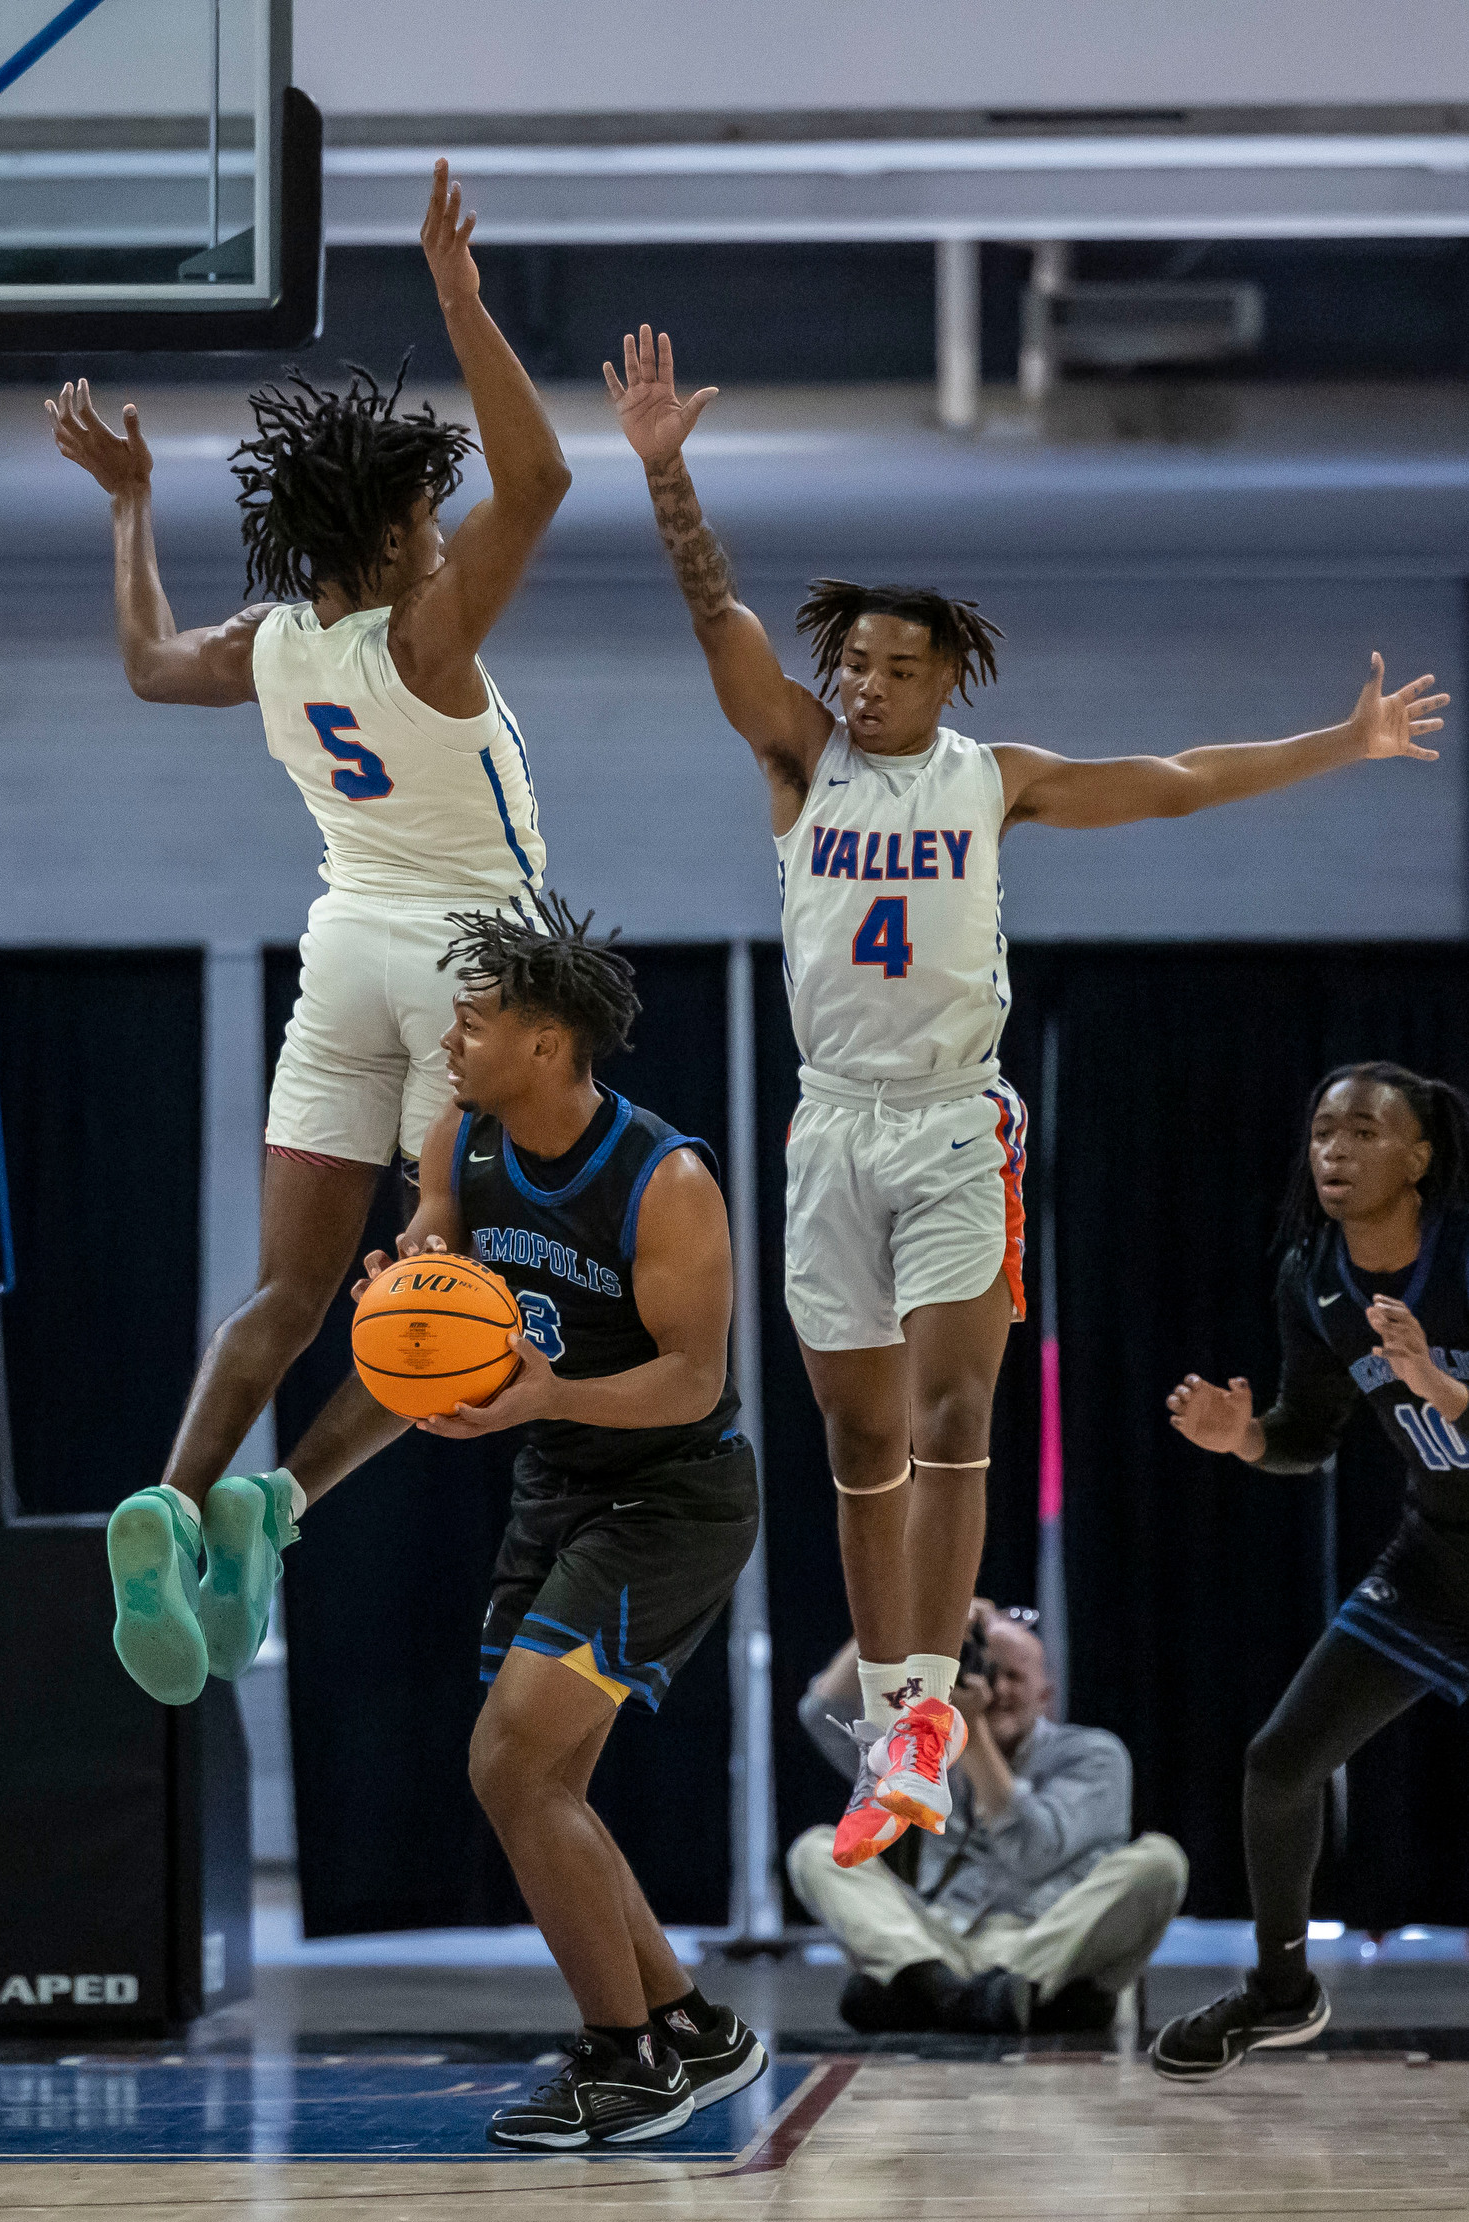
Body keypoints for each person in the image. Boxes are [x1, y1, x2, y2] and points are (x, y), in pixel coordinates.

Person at [602, 322, 1451, 1876]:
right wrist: (668, 470)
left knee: (950, 1413)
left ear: (949, 678)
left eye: (893, 663)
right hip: (827, 1125)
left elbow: (1180, 775)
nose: (861, 681)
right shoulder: (798, 756)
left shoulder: (991, 779)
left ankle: (922, 1719)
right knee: (855, 1447)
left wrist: (1340, 740)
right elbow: (714, 611)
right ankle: (899, 1722)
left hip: (945, 1119)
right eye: (849, 659)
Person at [46, 160, 572, 1709]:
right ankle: (286, 1499)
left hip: (338, 953)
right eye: (426, 507)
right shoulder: (425, 634)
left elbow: (146, 661)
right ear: (400, 537)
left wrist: (133, 503)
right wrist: (464, 303)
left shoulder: (274, 644)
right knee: (444, 1306)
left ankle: (177, 1492)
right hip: (476, 972)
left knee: (283, 1297)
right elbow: (538, 484)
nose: (442, 522)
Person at [253, 896, 765, 2147]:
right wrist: (405, 1293)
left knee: (508, 1763)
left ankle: (622, 2055)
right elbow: (435, 1248)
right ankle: (692, 2027)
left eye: (474, 1021)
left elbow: (695, 1375)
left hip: (675, 1491)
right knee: (547, 1786)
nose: (452, 1040)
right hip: (562, 1488)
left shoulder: (668, 1177)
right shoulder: (463, 1137)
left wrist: (549, 1392)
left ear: (548, 1041)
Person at [1154, 1062, 1469, 2080]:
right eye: (1323, 1128)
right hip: (1437, 1559)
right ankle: (1282, 1990)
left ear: (1419, 1157)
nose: (1335, 1148)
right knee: (1281, 1761)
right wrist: (1245, 1436)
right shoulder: (1314, 1275)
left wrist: (1442, 1384)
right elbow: (1308, 1434)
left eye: (1366, 1130)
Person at [789, 1601, 1187, 2034]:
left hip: (1047, 1943)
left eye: (1014, 1677)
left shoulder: (1093, 1754)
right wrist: (914, 1622)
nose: (996, 1691)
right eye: (984, 1671)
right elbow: (822, 1711)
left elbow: (1031, 1852)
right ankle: (964, 1995)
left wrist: (972, 1730)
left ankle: (933, 1998)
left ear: (1045, 1694)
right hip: (946, 1945)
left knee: (1161, 1861)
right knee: (820, 1847)